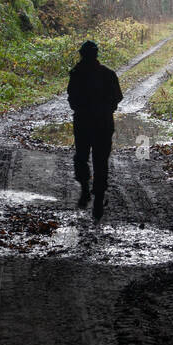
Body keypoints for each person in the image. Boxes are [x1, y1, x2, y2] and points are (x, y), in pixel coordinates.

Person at [66, 40, 122, 220]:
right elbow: (118, 97)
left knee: (81, 157)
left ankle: (85, 190)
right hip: (104, 123)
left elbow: (72, 99)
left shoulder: (76, 74)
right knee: (101, 159)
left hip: (83, 122)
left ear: (82, 55)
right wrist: (107, 109)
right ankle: (98, 195)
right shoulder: (108, 74)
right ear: (96, 54)